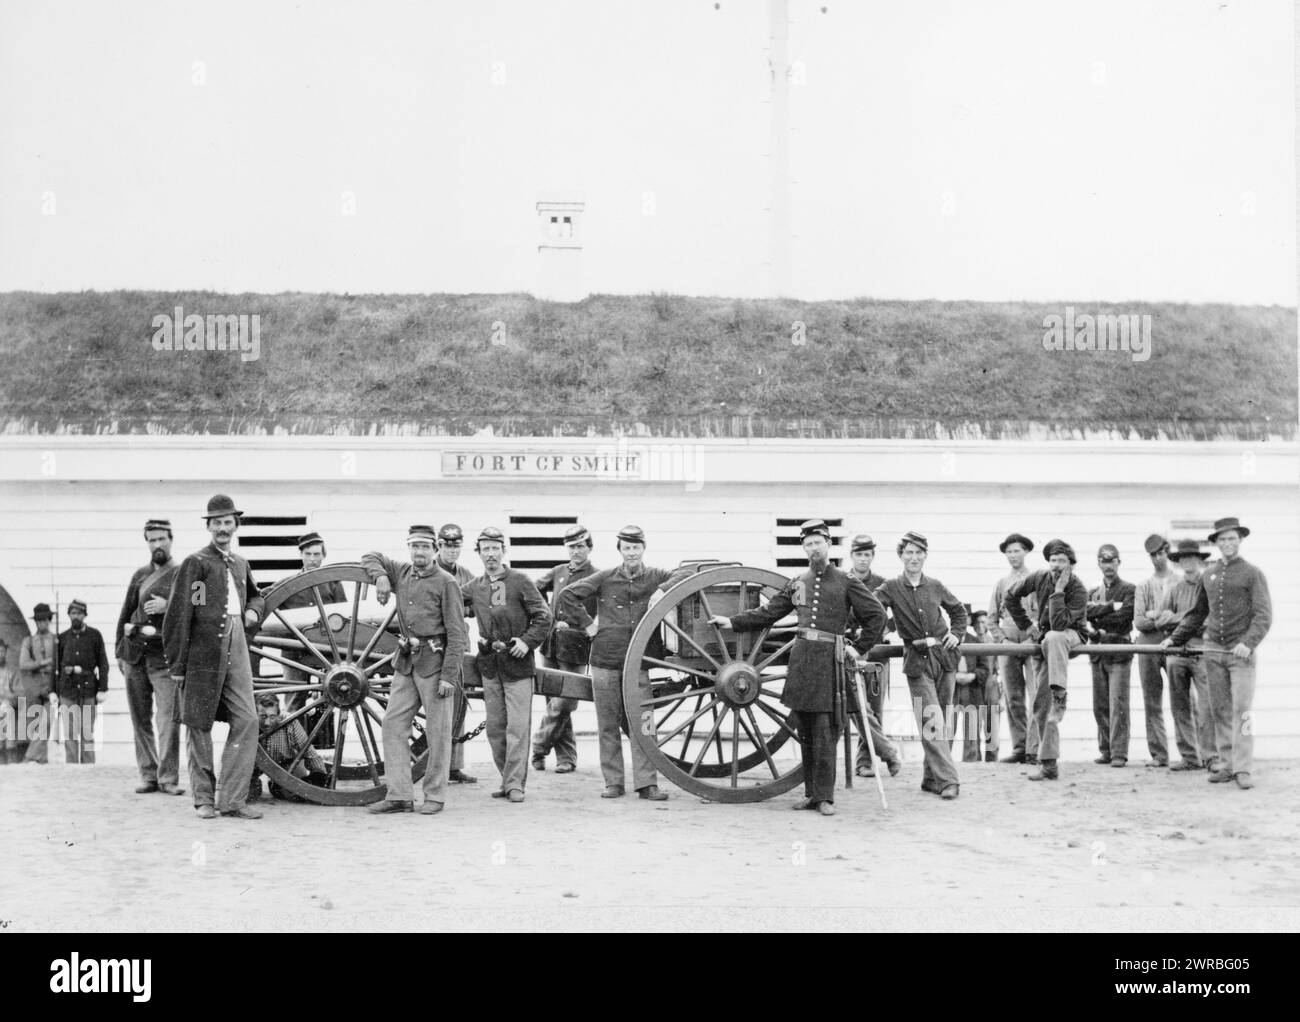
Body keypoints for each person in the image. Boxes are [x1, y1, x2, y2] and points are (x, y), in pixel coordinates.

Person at [710, 519, 887, 815]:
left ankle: (826, 797)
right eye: (808, 544)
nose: (813, 548)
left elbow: (877, 615)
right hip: (802, 658)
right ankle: (810, 794)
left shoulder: (846, 581)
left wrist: (858, 648)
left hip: (830, 660)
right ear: (804, 548)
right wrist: (733, 622)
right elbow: (769, 612)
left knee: (825, 729)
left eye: (818, 542)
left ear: (828, 545)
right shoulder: (798, 582)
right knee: (804, 726)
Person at [557, 525, 692, 801]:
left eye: (636, 547)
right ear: (620, 551)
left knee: (643, 723)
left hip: (639, 662)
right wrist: (588, 626)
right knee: (607, 724)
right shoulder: (605, 577)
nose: (631, 553)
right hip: (605, 659)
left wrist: (662, 590)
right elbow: (567, 595)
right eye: (626, 548)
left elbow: (687, 574)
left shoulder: (656, 576)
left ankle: (647, 784)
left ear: (643, 549)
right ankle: (613, 783)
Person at [163, 494, 266, 820]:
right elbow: (180, 615)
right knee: (198, 723)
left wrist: (252, 610)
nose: (223, 528)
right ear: (209, 526)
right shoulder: (197, 563)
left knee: (247, 719)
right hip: (203, 651)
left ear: (236, 525)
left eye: (228, 522)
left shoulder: (239, 563)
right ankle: (204, 799)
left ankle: (233, 799)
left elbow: (256, 597)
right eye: (217, 523)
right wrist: (178, 665)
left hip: (237, 646)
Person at [361, 524, 469, 814]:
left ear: (434, 550)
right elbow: (370, 556)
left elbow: (458, 634)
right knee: (393, 725)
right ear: (408, 548)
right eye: (414, 546)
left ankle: (434, 795)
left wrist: (448, 676)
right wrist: (382, 578)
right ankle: (399, 795)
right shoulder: (402, 572)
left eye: (424, 546)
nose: (419, 552)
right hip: (407, 662)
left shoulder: (446, 582)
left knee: (438, 733)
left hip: (435, 664)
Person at [1163, 517, 1271, 790]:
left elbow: (1263, 615)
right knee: (1220, 709)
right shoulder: (1208, 575)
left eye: (1232, 538)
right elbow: (1198, 612)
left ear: (1240, 540)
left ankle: (1243, 767)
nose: (1227, 544)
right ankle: (1226, 764)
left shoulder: (1252, 573)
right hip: (1213, 652)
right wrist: (1174, 639)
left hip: (1241, 654)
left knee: (1242, 710)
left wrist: (1249, 642)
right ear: (1216, 543)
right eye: (1222, 539)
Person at [872, 532, 966, 799]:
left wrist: (957, 633)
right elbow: (871, 608)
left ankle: (931, 778)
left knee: (943, 721)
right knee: (931, 721)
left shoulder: (935, 585)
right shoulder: (890, 587)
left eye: (918, 553)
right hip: (916, 659)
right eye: (908, 553)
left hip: (945, 657)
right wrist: (880, 629)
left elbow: (959, 611)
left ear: (925, 555)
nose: (914, 558)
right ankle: (949, 780)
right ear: (901, 556)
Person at [463, 527, 552, 803]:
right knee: (495, 729)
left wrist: (526, 642)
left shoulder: (520, 581)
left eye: (495, 548)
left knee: (517, 729)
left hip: (517, 664)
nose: (491, 554)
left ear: (503, 551)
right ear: (479, 553)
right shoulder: (475, 586)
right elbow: (448, 598)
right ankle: (506, 778)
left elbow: (544, 617)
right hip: (489, 665)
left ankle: (515, 784)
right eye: (485, 549)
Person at [1005, 539, 1088, 781]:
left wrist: (1059, 591)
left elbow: (1060, 624)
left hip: (1071, 636)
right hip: (1045, 641)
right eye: (1053, 561)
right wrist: (1027, 626)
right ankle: (1049, 763)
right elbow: (1011, 597)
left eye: (1062, 561)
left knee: (1054, 636)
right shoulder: (1038, 578)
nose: (1056, 566)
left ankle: (1060, 692)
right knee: (1042, 705)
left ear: (1071, 564)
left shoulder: (1078, 588)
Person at [116, 518, 184, 794]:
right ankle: (148, 775)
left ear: (171, 539)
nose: (157, 545)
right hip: (134, 656)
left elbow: (194, 609)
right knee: (140, 719)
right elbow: (125, 613)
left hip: (163, 657)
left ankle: (168, 779)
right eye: (152, 540)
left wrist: (169, 605)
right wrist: (120, 651)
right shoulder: (140, 575)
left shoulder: (182, 573)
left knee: (168, 719)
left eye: (161, 539)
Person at [532, 524, 597, 774]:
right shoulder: (558, 572)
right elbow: (533, 590)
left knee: (567, 701)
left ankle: (538, 745)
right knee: (554, 700)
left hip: (577, 645)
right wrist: (547, 616)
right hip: (551, 644)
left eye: (581, 546)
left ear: (589, 547)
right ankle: (566, 759)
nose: (576, 551)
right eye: (571, 547)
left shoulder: (596, 574)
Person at [843, 534, 901, 779]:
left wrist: (886, 627)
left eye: (867, 555)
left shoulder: (882, 583)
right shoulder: (842, 581)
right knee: (858, 707)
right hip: (850, 652)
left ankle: (864, 762)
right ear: (852, 556)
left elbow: (901, 613)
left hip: (876, 655)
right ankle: (887, 753)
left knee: (875, 710)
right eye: (859, 554)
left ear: (873, 557)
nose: (863, 559)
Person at [1158, 539, 1215, 772]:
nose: (1188, 563)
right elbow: (1161, 619)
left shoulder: (1210, 585)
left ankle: (1211, 757)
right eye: (1183, 559)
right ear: (1179, 563)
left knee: (1207, 707)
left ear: (1200, 561)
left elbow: (1211, 620)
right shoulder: (1174, 588)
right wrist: (1187, 621)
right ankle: (1189, 756)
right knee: (1179, 706)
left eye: (1192, 558)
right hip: (1177, 654)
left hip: (1203, 653)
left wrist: (1187, 621)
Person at [988, 533, 1038, 764]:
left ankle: (1034, 749)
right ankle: (1019, 747)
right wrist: (1002, 641)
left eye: (1017, 550)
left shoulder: (1037, 580)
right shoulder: (1002, 583)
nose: (1013, 555)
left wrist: (1033, 640)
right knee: (1013, 698)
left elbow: (1043, 615)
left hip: (1032, 645)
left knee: (1036, 695)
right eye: (1009, 551)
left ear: (1026, 552)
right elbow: (991, 619)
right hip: (1008, 646)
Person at [1085, 544, 1135, 768]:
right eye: (1103, 561)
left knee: (1118, 703)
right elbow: (1085, 612)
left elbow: (1125, 616)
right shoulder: (1092, 592)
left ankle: (1119, 752)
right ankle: (1105, 750)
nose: (1108, 566)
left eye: (1112, 561)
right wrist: (1109, 608)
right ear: (1098, 563)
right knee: (1100, 705)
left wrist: (1102, 619)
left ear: (1118, 562)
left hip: (1119, 650)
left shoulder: (1129, 589)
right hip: (1098, 653)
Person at [435, 523, 477, 785]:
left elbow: (476, 605)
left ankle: (453, 766)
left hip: (459, 643)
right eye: (446, 546)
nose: (451, 550)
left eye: (455, 546)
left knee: (459, 705)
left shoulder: (466, 575)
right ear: (439, 546)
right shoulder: (429, 571)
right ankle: (432, 764)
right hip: (436, 646)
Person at [1133, 533, 1176, 767]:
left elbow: (1183, 617)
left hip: (1175, 644)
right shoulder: (1143, 586)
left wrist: (1156, 616)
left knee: (1184, 698)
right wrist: (1163, 618)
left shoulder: (1180, 582)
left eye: (1161, 553)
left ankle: (1194, 752)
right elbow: (1139, 621)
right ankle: (1159, 755)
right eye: (1153, 555)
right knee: (1152, 700)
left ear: (1167, 552)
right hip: (1148, 645)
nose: (1157, 558)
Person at [56, 599, 109, 764]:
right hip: (67, 690)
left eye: (79, 613)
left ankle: (89, 769)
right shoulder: (62, 638)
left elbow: (103, 663)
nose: (76, 617)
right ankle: (71, 769)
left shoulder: (95, 635)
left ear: (84, 615)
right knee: (70, 733)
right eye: (73, 613)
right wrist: (54, 691)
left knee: (87, 732)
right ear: (69, 615)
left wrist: (103, 688)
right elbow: (55, 667)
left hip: (88, 689)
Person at [249, 693, 328, 802]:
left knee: (300, 792)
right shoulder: (249, 721)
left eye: (272, 717)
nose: (267, 723)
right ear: (256, 713)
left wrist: (319, 776)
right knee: (248, 795)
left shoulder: (289, 721)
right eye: (263, 717)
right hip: (253, 769)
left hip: (285, 766)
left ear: (279, 713)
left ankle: (276, 786)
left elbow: (309, 753)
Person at [952, 610, 996, 763]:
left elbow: (985, 668)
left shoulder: (976, 642)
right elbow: (941, 665)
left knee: (972, 727)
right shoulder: (947, 641)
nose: (961, 625)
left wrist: (973, 675)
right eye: (958, 621)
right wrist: (954, 675)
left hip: (972, 687)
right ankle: (945, 761)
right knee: (948, 726)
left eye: (964, 621)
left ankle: (972, 761)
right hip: (953, 688)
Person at [16, 603, 57, 764]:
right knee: (37, 725)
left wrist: (45, 664)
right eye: (39, 621)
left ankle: (29, 757)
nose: (42, 623)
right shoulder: (29, 641)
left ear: (49, 620)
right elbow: (23, 663)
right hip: (35, 686)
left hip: (51, 686)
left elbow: (58, 662)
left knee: (47, 721)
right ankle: (42, 760)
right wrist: (43, 662)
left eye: (45, 620)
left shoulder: (56, 640)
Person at [0, 639, 18, 764]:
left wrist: (6, 696)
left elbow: (18, 694)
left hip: (7, 707)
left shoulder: (12, 671)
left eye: (1, 651)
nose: (0, 654)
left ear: (6, 652)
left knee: (7, 710)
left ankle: (11, 761)